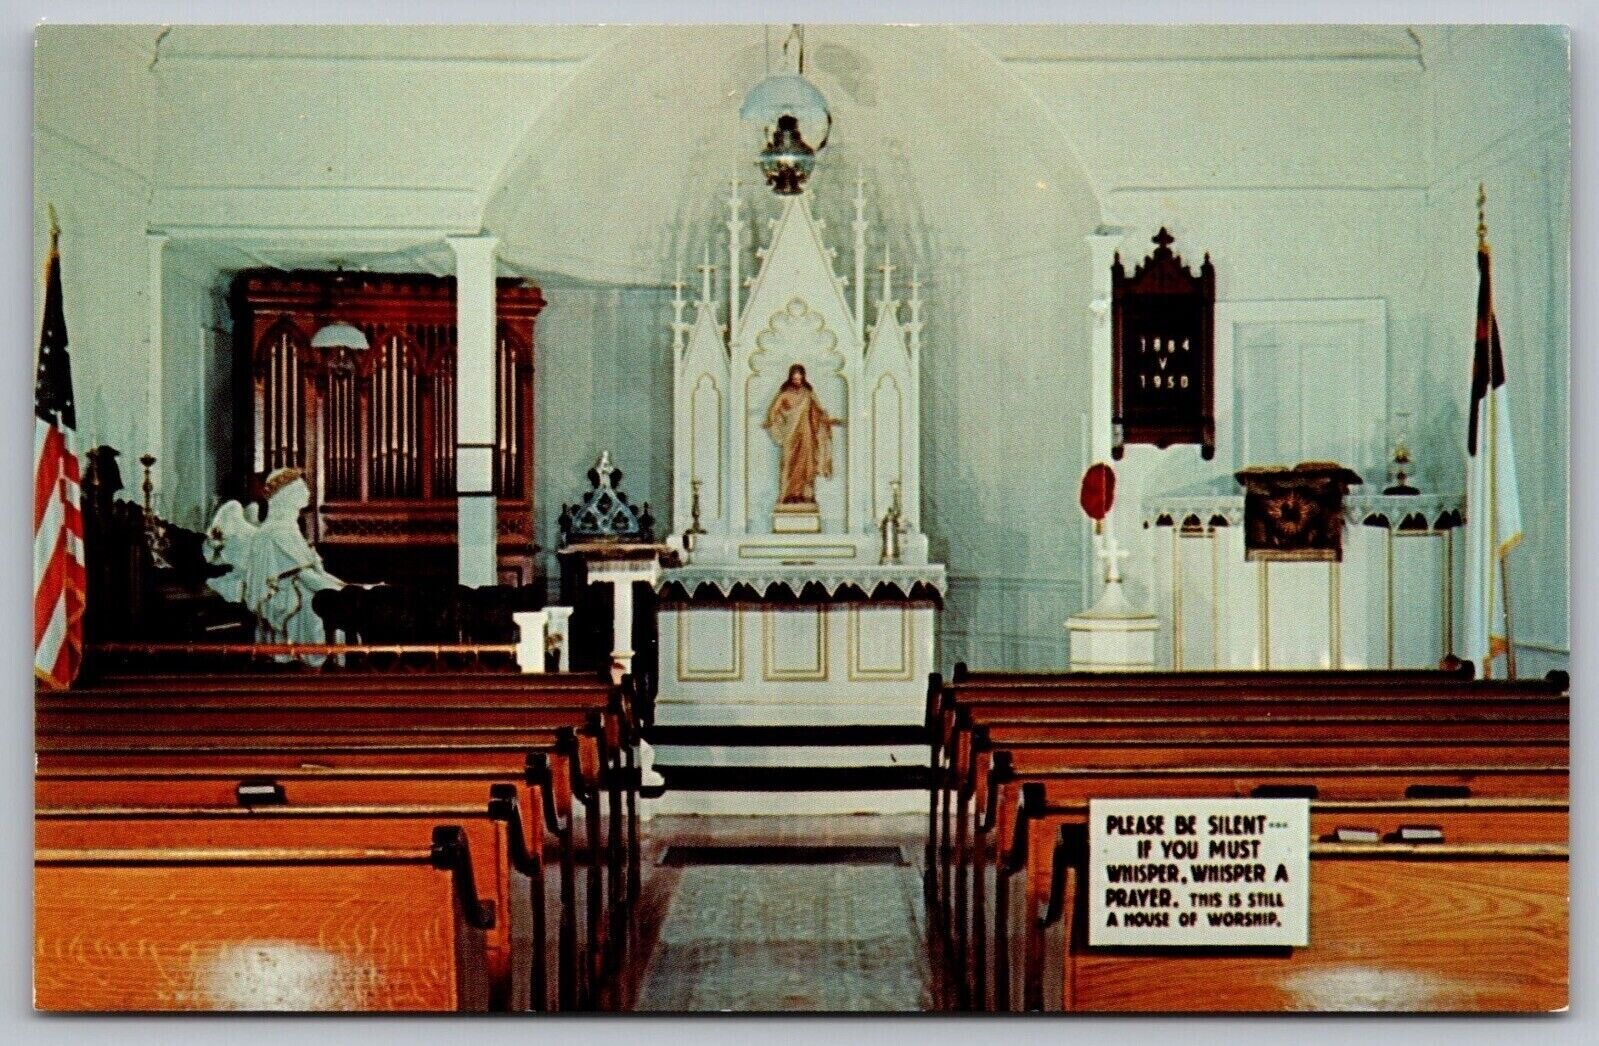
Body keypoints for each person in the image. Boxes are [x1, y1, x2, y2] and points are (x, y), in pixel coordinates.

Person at [206, 468, 344, 651]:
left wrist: (343, 586)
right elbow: (304, 575)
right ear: (287, 495)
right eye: (300, 488)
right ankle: (312, 660)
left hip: (298, 591)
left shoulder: (287, 527)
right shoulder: (277, 532)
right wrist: (341, 591)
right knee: (326, 610)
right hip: (287, 599)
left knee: (337, 605)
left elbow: (315, 571)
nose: (307, 492)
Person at [762, 363, 842, 506]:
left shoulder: (808, 394)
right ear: (790, 379)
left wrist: (829, 421)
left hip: (806, 435)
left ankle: (806, 495)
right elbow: (773, 412)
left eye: (799, 379)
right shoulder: (784, 395)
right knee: (789, 463)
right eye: (794, 379)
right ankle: (788, 495)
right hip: (790, 435)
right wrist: (772, 422)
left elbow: (818, 413)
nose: (797, 382)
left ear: (803, 378)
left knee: (807, 465)